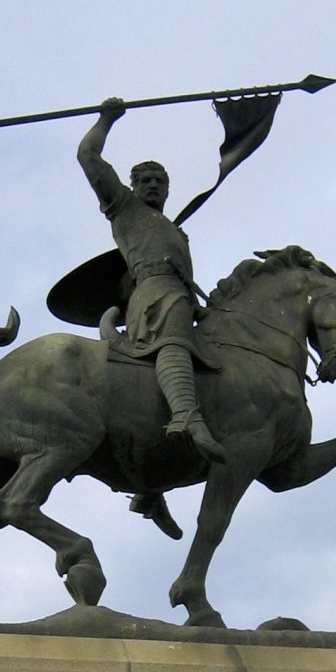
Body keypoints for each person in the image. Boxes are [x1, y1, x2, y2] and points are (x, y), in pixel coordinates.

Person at [78, 97, 225, 463]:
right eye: (144, 180)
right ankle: (185, 416)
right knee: (174, 328)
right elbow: (88, 156)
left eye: (160, 181)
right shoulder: (124, 208)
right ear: (132, 186)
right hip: (156, 293)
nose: (153, 185)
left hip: (179, 295)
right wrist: (106, 120)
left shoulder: (172, 229)